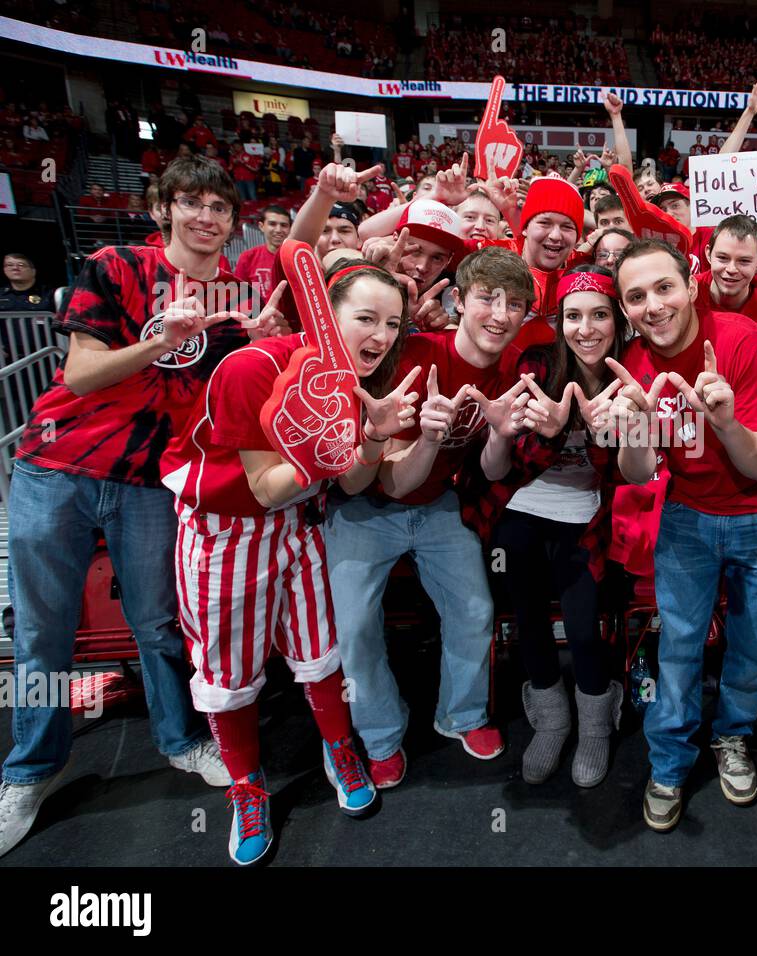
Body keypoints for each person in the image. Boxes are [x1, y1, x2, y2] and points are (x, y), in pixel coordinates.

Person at [0, 156, 287, 859]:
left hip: (151, 479)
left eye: (219, 207)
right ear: (163, 209)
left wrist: (253, 343)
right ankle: (30, 771)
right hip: (57, 465)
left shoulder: (231, 298)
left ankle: (181, 741)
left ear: (232, 221)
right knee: (43, 632)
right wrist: (157, 341)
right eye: (190, 202)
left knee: (160, 622)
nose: (206, 217)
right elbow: (80, 372)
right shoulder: (114, 264)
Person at [161, 260, 420, 864]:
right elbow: (261, 489)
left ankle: (339, 747)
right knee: (230, 673)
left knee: (319, 647)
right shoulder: (251, 367)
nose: (380, 336)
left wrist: (374, 437)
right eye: (365, 318)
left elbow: (353, 485)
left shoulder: (359, 381)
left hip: (301, 523)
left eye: (391, 323)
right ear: (325, 316)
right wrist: (323, 449)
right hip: (226, 531)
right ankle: (248, 789)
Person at [322, 246, 534, 781]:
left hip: (439, 504)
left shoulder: (514, 366)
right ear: (460, 301)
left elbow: (489, 470)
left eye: (514, 304)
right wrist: (431, 441)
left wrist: (503, 435)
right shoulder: (412, 352)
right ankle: (380, 735)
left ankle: (460, 715)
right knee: (355, 631)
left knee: (474, 612)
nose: (500, 314)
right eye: (487, 298)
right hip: (365, 505)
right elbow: (389, 482)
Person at [607, 239, 757, 832]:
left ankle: (733, 736)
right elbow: (637, 474)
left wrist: (728, 423)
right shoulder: (630, 364)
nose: (653, 306)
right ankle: (668, 761)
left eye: (664, 288)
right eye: (635, 297)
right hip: (686, 519)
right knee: (679, 648)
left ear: (692, 285)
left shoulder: (740, 340)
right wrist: (635, 431)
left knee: (753, 644)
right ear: (625, 308)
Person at [460, 264, 628, 787]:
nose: (587, 328)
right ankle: (552, 722)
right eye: (573, 316)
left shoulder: (630, 371)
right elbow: (508, 465)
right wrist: (553, 434)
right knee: (528, 620)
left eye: (599, 315)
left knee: (581, 629)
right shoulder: (536, 364)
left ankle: (597, 725)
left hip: (588, 518)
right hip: (523, 509)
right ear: (559, 322)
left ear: (617, 321)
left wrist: (597, 433)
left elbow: (630, 471)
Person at [694, 215, 757, 329]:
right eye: (723, 258)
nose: (731, 269)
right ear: (708, 254)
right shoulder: (685, 295)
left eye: (744, 261)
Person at [234, 206, 291, 302]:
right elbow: (239, 295)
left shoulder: (294, 259)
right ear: (261, 226)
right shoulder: (248, 257)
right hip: (257, 315)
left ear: (290, 229)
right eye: (272, 224)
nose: (278, 230)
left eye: (284, 225)